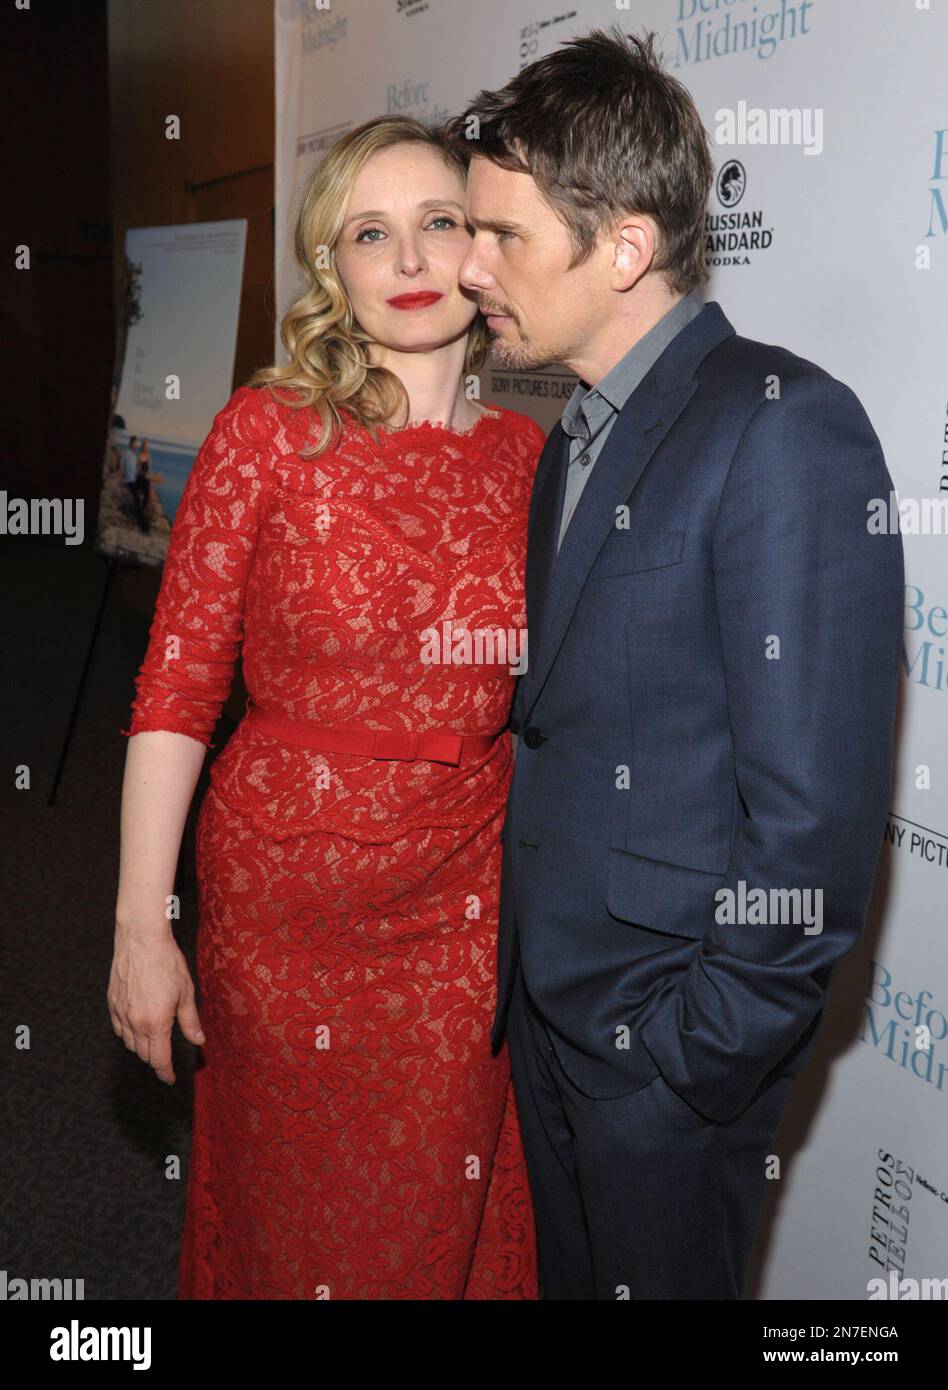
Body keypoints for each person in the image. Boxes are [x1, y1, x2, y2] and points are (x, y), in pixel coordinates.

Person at [443, 26, 904, 1300]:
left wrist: (687, 1064)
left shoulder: (786, 430)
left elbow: (812, 824)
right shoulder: (568, 443)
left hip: (666, 1065)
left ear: (627, 248)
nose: (471, 266)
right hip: (552, 1022)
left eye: (506, 237)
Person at [109, 114, 545, 1300]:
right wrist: (143, 926)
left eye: (437, 224)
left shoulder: (532, 462)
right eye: (370, 232)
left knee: (427, 1214)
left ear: (483, 248)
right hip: (284, 910)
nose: (407, 262)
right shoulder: (266, 434)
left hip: (463, 910)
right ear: (332, 269)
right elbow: (177, 691)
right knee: (297, 1211)